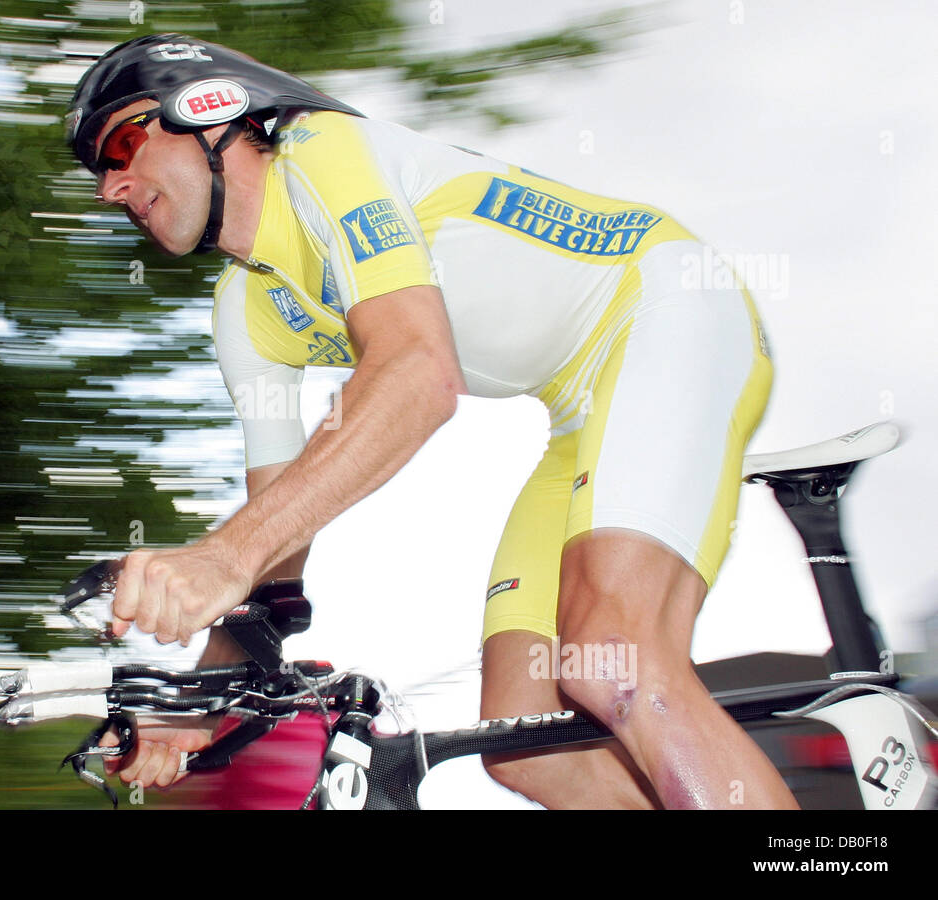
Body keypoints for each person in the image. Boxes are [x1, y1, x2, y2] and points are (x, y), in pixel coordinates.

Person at [65, 33, 791, 809]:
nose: (112, 187)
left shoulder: (320, 153)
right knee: (527, 747)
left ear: (210, 109)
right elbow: (271, 551)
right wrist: (199, 706)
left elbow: (417, 374)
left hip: (666, 306)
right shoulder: (243, 312)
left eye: (122, 144)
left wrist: (222, 558)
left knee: (613, 661)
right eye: (99, 172)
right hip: (577, 408)